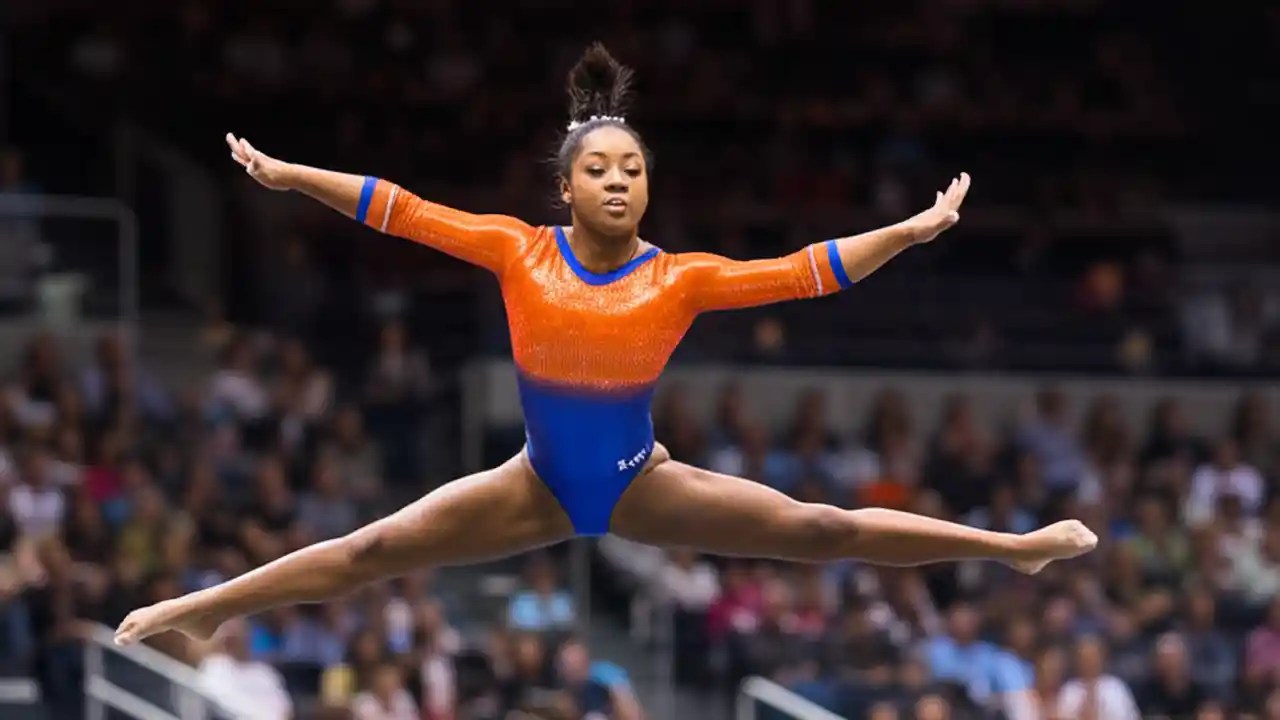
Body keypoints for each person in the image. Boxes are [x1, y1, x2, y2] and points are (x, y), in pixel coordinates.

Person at [114, 43, 1096, 646]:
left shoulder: (682, 278)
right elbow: (399, 210)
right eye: (600, 169)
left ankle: (1007, 551)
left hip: (637, 482)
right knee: (371, 548)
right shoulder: (516, 250)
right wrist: (293, 178)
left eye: (633, 168)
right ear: (567, 187)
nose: (619, 181)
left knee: (821, 530)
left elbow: (809, 270)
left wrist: (908, 232)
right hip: (536, 482)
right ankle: (204, 608)